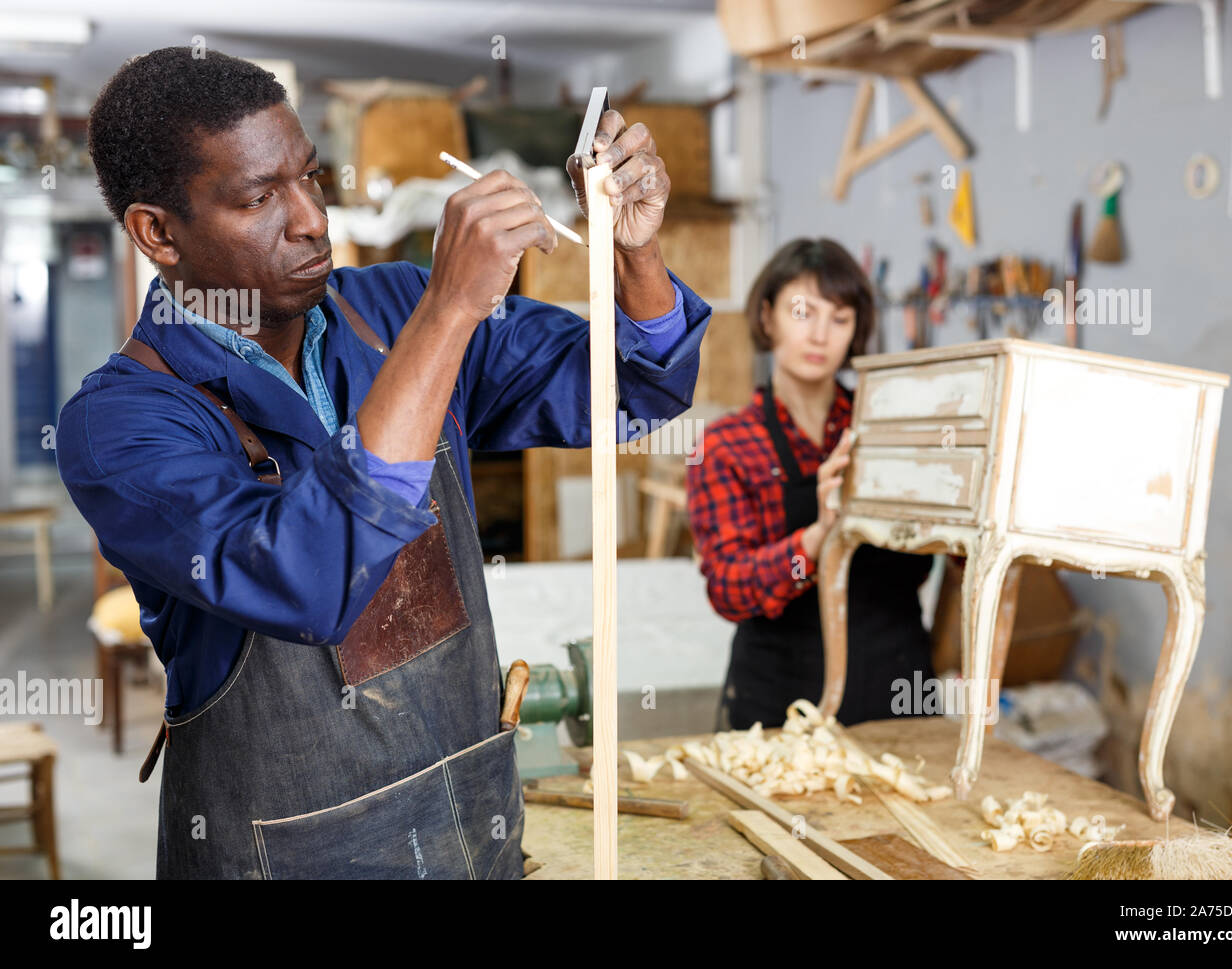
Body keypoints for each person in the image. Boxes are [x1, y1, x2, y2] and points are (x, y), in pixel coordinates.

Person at [57, 48, 711, 879]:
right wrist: (450, 310)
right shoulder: (122, 423)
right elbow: (310, 578)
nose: (309, 220)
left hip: (470, 824)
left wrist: (633, 255)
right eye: (259, 198)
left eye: (311, 178)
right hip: (281, 853)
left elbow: (641, 389)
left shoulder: (388, 308)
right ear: (157, 232)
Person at [687, 238, 933, 730]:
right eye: (803, 312)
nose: (820, 335)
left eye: (840, 319)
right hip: (780, 701)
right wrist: (815, 542)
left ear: (857, 331)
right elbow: (729, 589)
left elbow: (927, 558)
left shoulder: (889, 429)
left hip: (899, 690)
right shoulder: (725, 445)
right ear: (766, 317)